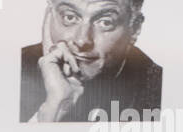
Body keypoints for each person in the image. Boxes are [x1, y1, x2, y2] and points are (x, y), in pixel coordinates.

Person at [21, 1, 162, 123]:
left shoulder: (157, 87)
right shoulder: (15, 67)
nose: (82, 40)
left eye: (105, 22)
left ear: (135, 29)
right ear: (50, 16)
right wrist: (54, 107)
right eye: (70, 17)